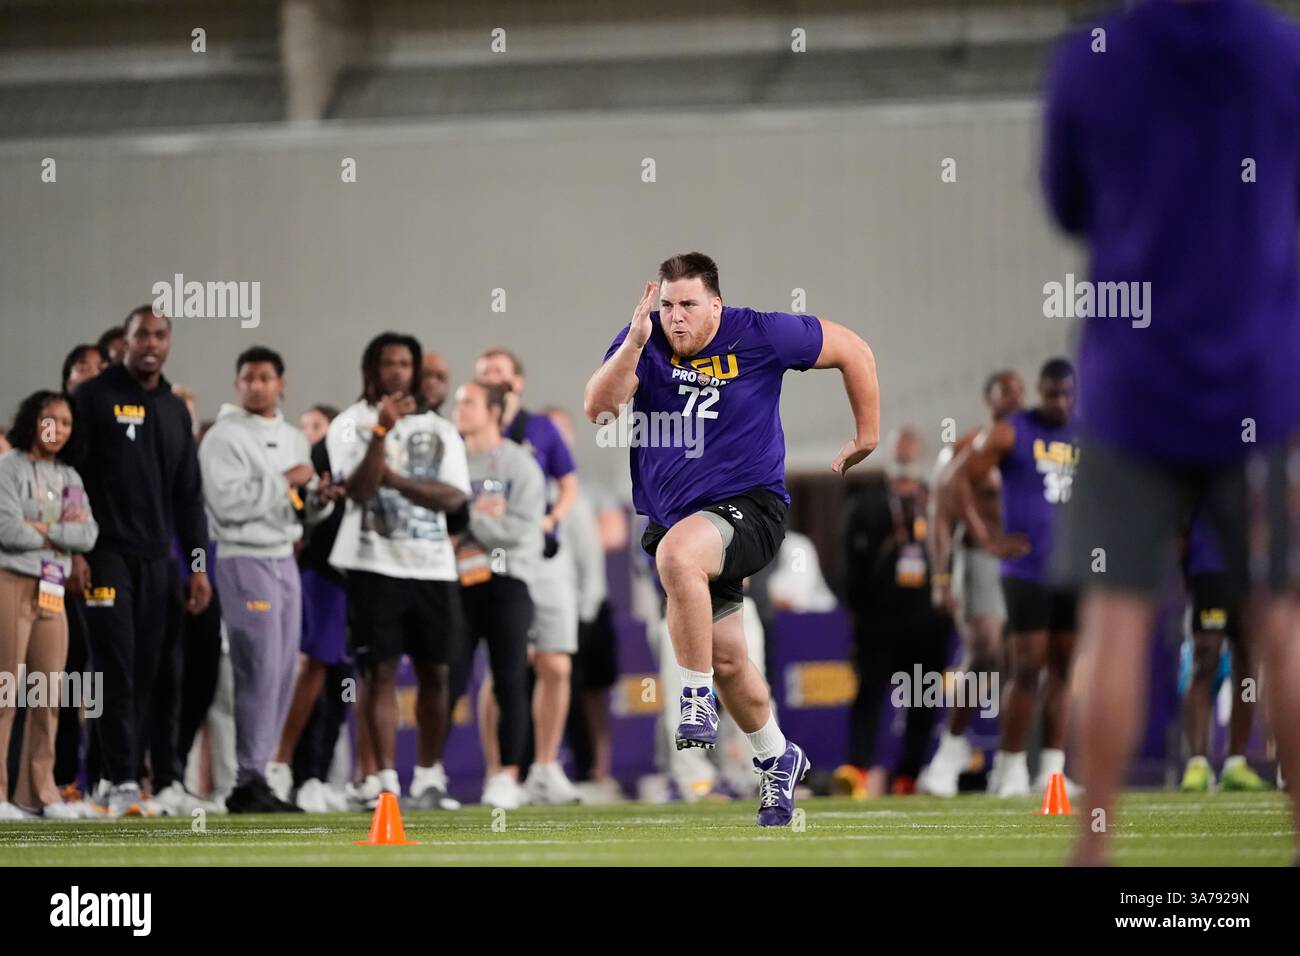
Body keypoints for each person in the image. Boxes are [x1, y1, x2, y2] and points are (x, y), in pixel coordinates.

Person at [1042, 0, 1300, 866]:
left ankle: (1094, 851)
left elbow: (1069, 205)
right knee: (1282, 622)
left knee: (1115, 622)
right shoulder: (1284, 51)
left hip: (1131, 390)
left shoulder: (1091, 57)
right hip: (1261, 383)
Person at [583, 251, 879, 826]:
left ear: (715, 304)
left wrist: (866, 433)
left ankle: (695, 702)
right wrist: (634, 344)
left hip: (753, 509)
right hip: (680, 519)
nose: (676, 317)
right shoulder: (644, 339)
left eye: (689, 305)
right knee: (730, 659)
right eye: (667, 305)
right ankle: (778, 757)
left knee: (677, 556)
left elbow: (854, 351)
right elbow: (599, 408)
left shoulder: (764, 333)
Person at [72, 306, 212, 817]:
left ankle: (150, 779)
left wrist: (197, 565)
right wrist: (77, 552)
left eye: (159, 335)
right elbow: (71, 477)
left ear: (168, 343)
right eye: (140, 336)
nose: (150, 343)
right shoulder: (92, 397)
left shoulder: (175, 410)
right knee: (114, 668)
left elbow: (189, 499)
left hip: (159, 564)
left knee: (152, 672)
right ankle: (116, 779)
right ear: (124, 343)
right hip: (105, 556)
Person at [326, 332, 469, 808]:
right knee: (379, 671)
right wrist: (381, 434)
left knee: (436, 673)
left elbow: (454, 499)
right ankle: (384, 780)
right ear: (371, 370)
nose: (397, 372)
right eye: (387, 363)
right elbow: (361, 490)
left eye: (405, 364)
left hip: (433, 568)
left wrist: (398, 479)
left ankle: (429, 778)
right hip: (373, 565)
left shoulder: (442, 429)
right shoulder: (350, 424)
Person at [948, 358, 1078, 797]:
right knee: (1027, 667)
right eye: (1051, 394)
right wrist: (988, 538)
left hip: (1073, 569)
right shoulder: (1012, 430)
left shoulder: (1088, 434)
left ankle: (1053, 771)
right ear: (1040, 392)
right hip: (1026, 569)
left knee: (1064, 668)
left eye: (1066, 394)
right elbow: (957, 478)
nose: (1059, 402)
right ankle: (1010, 767)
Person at [200, 346, 319, 813]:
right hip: (243, 555)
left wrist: (316, 499)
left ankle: (261, 772)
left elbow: (298, 505)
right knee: (258, 666)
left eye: (265, 377)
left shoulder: (293, 437)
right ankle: (245, 776)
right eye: (247, 378)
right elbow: (227, 504)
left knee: (285, 669)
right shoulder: (222, 437)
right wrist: (287, 480)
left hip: (284, 555)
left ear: (281, 383)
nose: (256, 385)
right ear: (237, 385)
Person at [476, 348, 581, 803]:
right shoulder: (471, 431)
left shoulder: (541, 428)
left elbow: (569, 482)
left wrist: (551, 519)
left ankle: (544, 766)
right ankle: (499, 770)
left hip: (539, 551)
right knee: (504, 662)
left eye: (500, 371)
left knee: (555, 660)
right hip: (494, 553)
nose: (493, 379)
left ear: (519, 380)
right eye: (485, 374)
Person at [918, 370, 1023, 796]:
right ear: (990, 401)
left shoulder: (1033, 453)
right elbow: (940, 517)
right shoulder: (967, 449)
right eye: (1005, 396)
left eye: (1019, 395)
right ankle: (952, 747)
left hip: (1023, 563)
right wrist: (941, 576)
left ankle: (1012, 763)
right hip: (977, 558)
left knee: (1020, 662)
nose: (1014, 403)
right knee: (984, 648)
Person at [836, 427, 953, 798]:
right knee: (869, 694)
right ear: (889, 458)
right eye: (900, 453)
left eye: (911, 453)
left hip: (927, 621)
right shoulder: (867, 503)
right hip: (878, 620)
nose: (905, 460)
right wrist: (858, 608)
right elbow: (848, 565)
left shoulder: (937, 503)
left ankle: (909, 774)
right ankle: (858, 770)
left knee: (922, 696)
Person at [0, 390, 99, 818]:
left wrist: (40, 526)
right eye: (50, 420)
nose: (57, 430)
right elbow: (7, 531)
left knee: (48, 693)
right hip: (10, 581)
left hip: (52, 588)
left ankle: (38, 792)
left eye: (66, 423)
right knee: (5, 690)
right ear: (32, 420)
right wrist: (59, 532)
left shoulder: (71, 479)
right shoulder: (7, 468)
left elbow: (88, 536)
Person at [451, 381, 547, 809]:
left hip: (509, 582)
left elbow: (518, 530)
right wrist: (480, 517)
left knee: (510, 678)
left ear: (493, 411)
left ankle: (508, 775)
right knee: (447, 677)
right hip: (454, 581)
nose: (459, 410)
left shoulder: (519, 464)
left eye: (468, 402)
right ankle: (428, 773)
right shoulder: (446, 459)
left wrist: (463, 515)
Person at [274, 403, 351, 812]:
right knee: (312, 673)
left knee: (343, 687)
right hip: (318, 576)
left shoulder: (347, 457)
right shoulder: (303, 469)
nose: (310, 433)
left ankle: (317, 776)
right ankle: (288, 768)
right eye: (305, 426)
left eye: (318, 425)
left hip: (350, 581)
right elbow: (298, 515)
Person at [1178, 512, 1267, 792]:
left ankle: (1236, 763)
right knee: (1205, 657)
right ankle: (1197, 763)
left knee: (1248, 663)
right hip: (1210, 565)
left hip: (1253, 568)